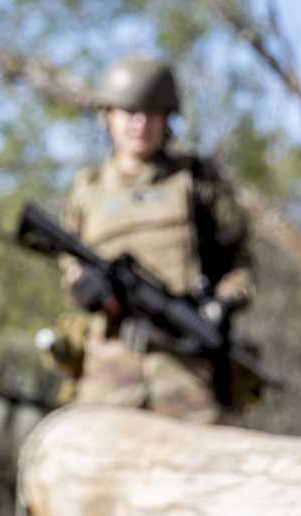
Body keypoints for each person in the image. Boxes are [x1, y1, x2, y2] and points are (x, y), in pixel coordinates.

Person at [53, 55, 254, 423]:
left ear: (167, 119)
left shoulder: (198, 181)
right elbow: (68, 263)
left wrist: (223, 306)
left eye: (152, 113)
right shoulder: (88, 189)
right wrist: (82, 285)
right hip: (106, 365)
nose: (140, 123)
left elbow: (239, 266)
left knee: (198, 469)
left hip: (184, 364)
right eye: (129, 112)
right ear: (108, 116)